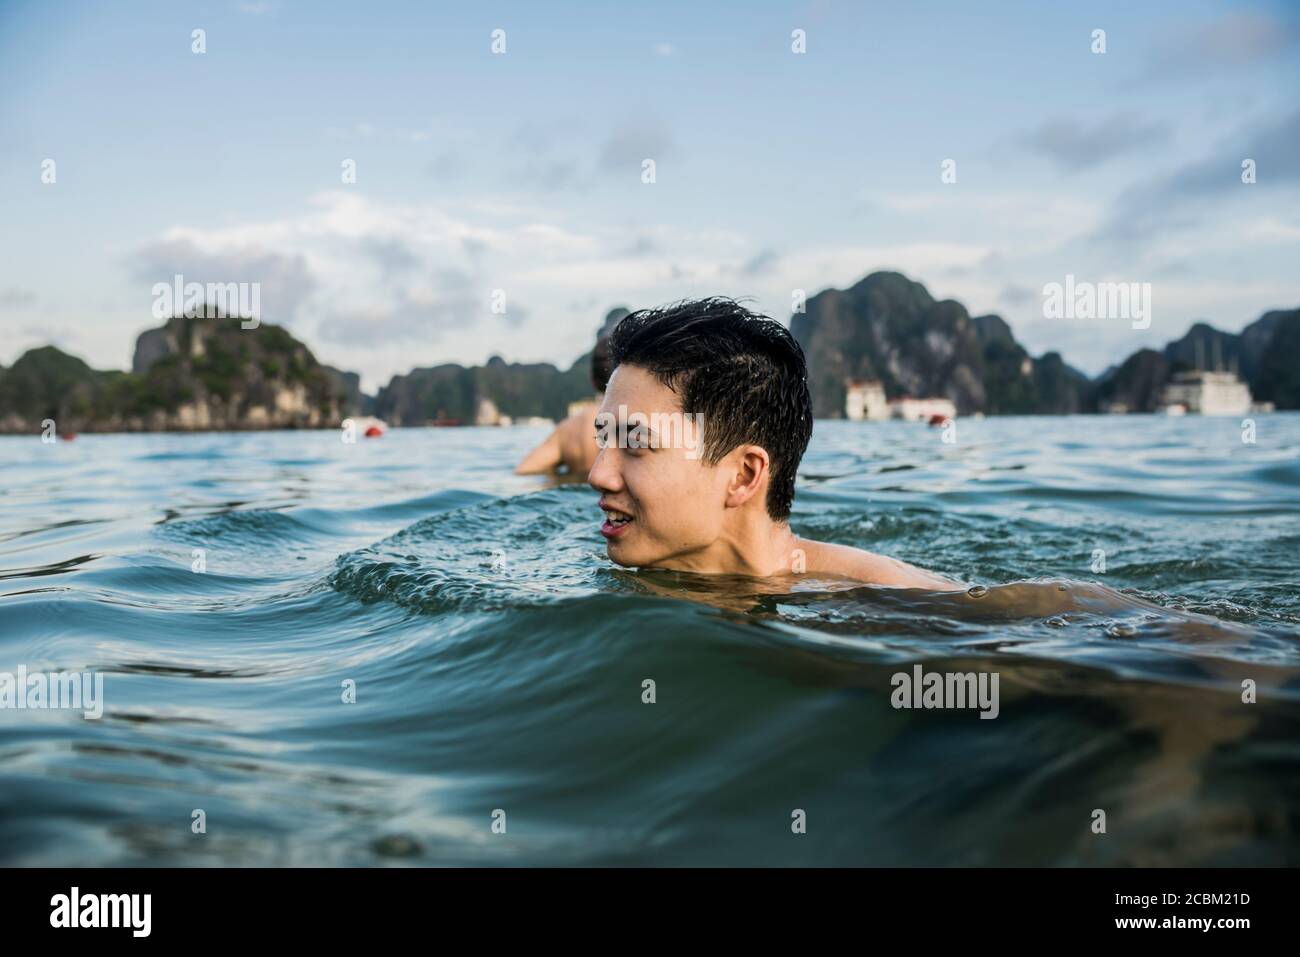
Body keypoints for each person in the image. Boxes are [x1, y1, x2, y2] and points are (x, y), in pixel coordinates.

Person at [587, 298, 962, 589]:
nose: (598, 474)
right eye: (604, 439)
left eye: (636, 442)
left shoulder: (888, 604)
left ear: (744, 475)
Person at [515, 335, 613, 476]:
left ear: (592, 379)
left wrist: (556, 479)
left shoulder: (567, 430)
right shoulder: (641, 419)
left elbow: (523, 470)